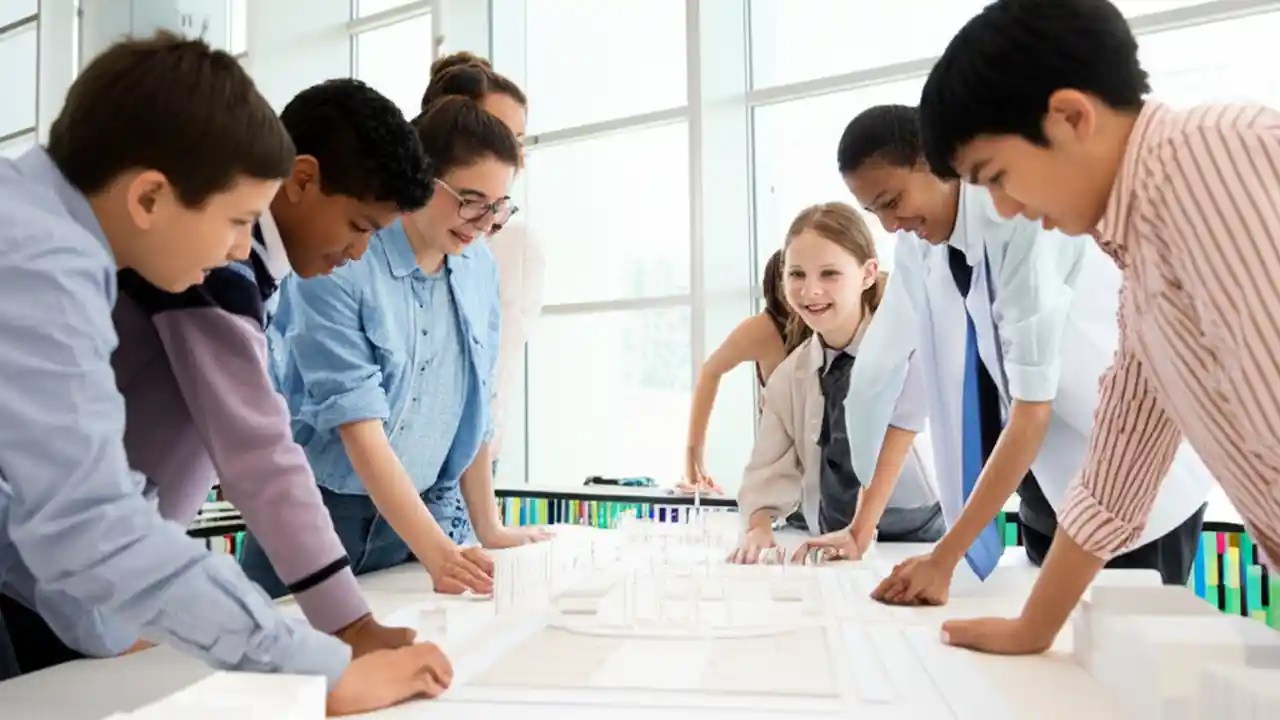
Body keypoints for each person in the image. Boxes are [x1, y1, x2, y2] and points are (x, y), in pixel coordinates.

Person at [0, 34, 449, 713]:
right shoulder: (45, 267)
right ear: (149, 197)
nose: (242, 249)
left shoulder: (46, 233)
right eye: (239, 220)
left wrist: (124, 613)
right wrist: (323, 669)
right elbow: (89, 520)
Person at [916, 0, 1280, 654]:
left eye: (997, 177)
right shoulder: (1143, 248)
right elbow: (1121, 458)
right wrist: (1035, 627)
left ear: (1071, 117)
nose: (1004, 208)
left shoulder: (1211, 160)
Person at [836, 104, 1210, 605]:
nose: (888, 225)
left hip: (1131, 477)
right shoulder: (921, 240)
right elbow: (908, 390)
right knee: (1048, 671)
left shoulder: (1022, 223)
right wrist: (861, 530)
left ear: (938, 162)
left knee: (1125, 665)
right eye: (873, 211)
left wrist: (944, 558)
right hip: (1043, 492)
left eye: (892, 200)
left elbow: (1033, 409)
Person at [241, 95, 547, 599]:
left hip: (426, 519)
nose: (483, 223)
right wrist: (439, 553)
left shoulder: (479, 269)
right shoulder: (341, 256)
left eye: (498, 208)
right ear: (422, 180)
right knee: (283, 668)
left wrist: (486, 527)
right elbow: (357, 423)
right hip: (325, 517)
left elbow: (474, 402)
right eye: (470, 200)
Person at [731, 203, 942, 564]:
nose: (810, 291)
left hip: (915, 542)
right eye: (797, 274)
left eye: (829, 273)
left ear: (867, 274)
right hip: (827, 550)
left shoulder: (911, 346)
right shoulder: (789, 378)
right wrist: (758, 526)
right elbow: (765, 472)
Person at [419, 52, 544, 477]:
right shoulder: (369, 247)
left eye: (520, 139)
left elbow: (492, 380)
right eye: (497, 133)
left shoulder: (511, 248)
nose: (514, 154)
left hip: (469, 467)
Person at [681, 249, 795, 495]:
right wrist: (693, 457)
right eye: (793, 277)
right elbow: (710, 371)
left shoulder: (834, 323)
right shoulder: (763, 330)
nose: (805, 289)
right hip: (783, 468)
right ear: (776, 286)